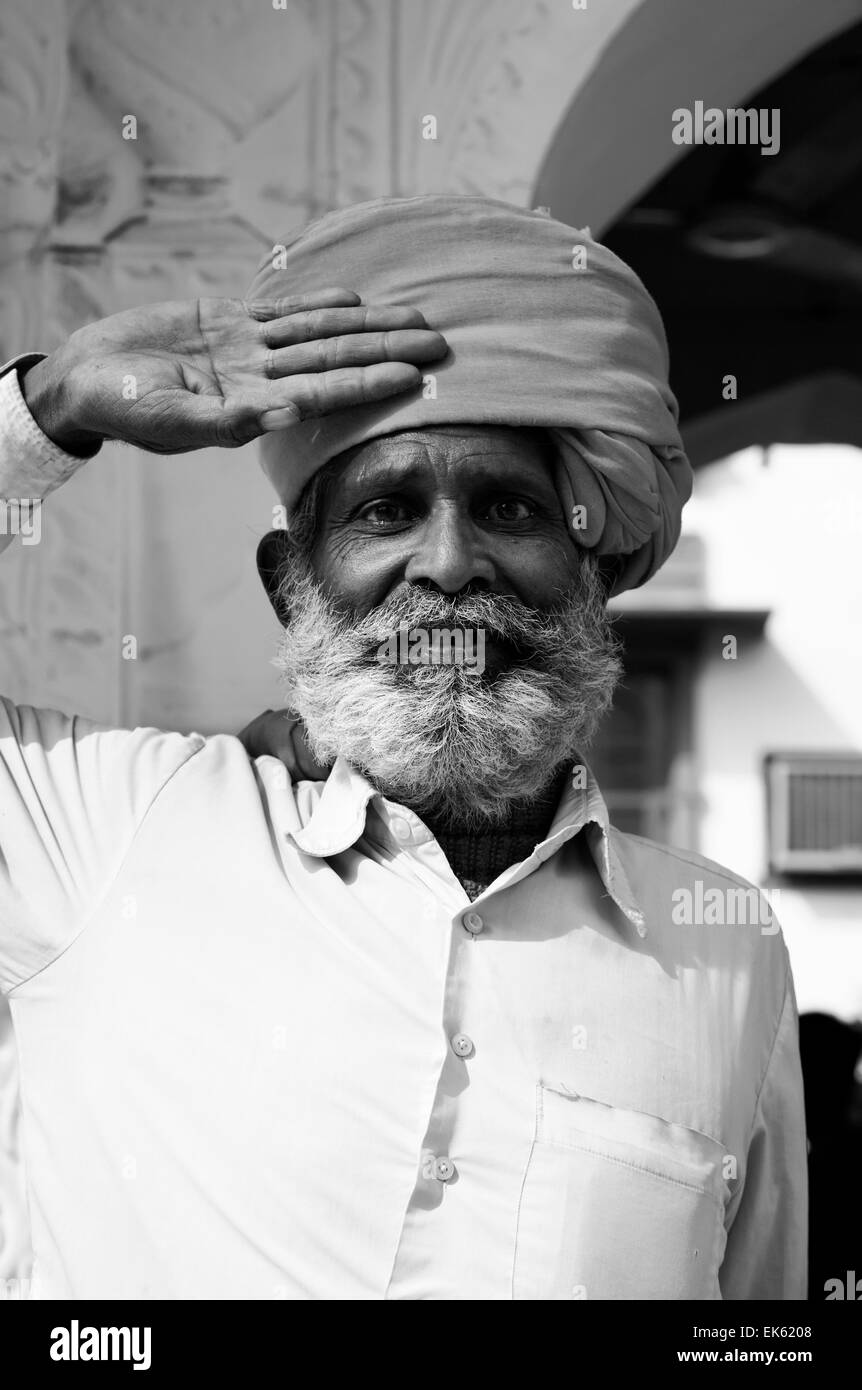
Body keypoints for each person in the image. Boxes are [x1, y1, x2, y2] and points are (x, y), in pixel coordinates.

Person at [0, 195, 806, 1300]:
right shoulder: (100, 834)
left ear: (594, 578)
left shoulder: (726, 948)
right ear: (291, 585)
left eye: (510, 510)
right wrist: (45, 411)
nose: (449, 563)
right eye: (386, 511)